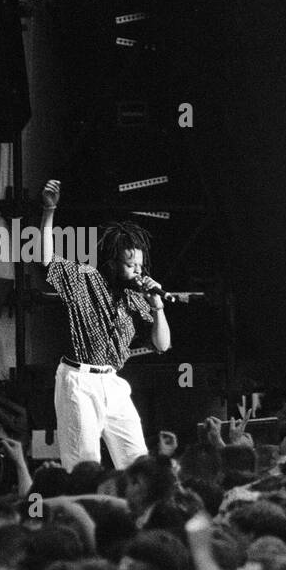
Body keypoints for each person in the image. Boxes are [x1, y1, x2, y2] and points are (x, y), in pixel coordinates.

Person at [39, 179, 171, 470]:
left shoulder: (136, 297)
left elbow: (162, 345)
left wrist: (156, 304)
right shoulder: (86, 279)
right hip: (78, 379)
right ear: (112, 262)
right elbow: (46, 260)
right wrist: (49, 211)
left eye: (139, 265)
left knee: (138, 462)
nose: (137, 271)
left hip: (112, 380)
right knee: (84, 465)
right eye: (129, 265)